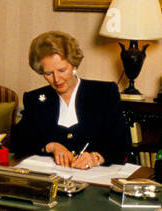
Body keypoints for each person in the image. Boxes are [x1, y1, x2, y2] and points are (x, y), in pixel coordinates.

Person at [7, 30, 132, 168]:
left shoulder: (104, 93)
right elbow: (17, 142)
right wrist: (51, 146)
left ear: (74, 65)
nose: (56, 79)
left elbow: (122, 144)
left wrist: (96, 157)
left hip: (94, 178)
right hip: (51, 179)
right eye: (48, 73)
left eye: (62, 70)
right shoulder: (36, 98)